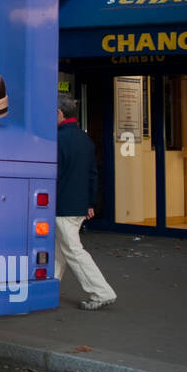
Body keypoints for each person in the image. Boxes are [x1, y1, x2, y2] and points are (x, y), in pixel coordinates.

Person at [55, 94, 117, 310]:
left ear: (59, 114)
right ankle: (48, 290)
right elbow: (93, 174)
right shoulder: (84, 139)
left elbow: (55, 175)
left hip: (62, 206)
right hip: (79, 205)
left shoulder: (57, 141)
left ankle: (101, 292)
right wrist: (90, 203)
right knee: (61, 251)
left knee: (72, 250)